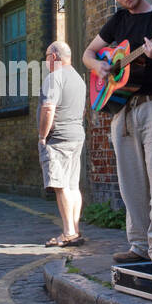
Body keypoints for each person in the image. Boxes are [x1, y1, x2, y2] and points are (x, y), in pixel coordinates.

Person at [83, 0, 152, 263]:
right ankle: (138, 245)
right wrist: (98, 67)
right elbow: (89, 53)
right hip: (122, 107)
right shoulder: (118, 20)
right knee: (130, 181)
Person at [39, 40, 86, 247]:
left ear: (54, 56)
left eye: (46, 57)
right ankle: (75, 230)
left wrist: (42, 135)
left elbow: (48, 108)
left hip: (59, 138)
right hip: (77, 135)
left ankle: (68, 233)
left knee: (61, 186)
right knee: (73, 185)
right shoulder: (78, 79)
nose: (46, 61)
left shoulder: (54, 77)